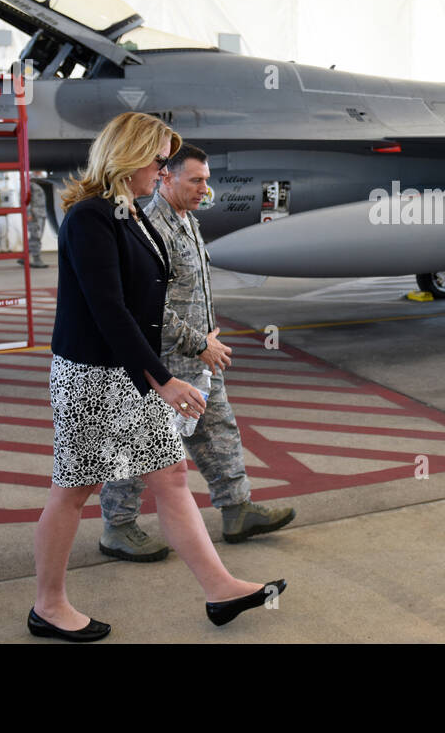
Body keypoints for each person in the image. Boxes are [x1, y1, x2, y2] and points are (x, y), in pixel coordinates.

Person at [31, 111, 285, 642]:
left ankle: (220, 589)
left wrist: (161, 370)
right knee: (74, 491)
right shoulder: (90, 218)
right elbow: (111, 309)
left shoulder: (131, 215)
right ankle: (48, 606)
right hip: (92, 377)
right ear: (128, 156)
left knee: (169, 476)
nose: (161, 169)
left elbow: (149, 303)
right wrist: (164, 378)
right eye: (157, 159)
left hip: (130, 373)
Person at [99, 144, 295, 561]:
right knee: (139, 444)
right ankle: (117, 527)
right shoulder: (152, 227)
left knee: (219, 431)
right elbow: (147, 306)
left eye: (207, 180)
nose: (205, 189)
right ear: (166, 176)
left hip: (199, 356)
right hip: (161, 363)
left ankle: (237, 510)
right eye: (196, 180)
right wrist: (197, 341)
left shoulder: (186, 220)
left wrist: (205, 339)